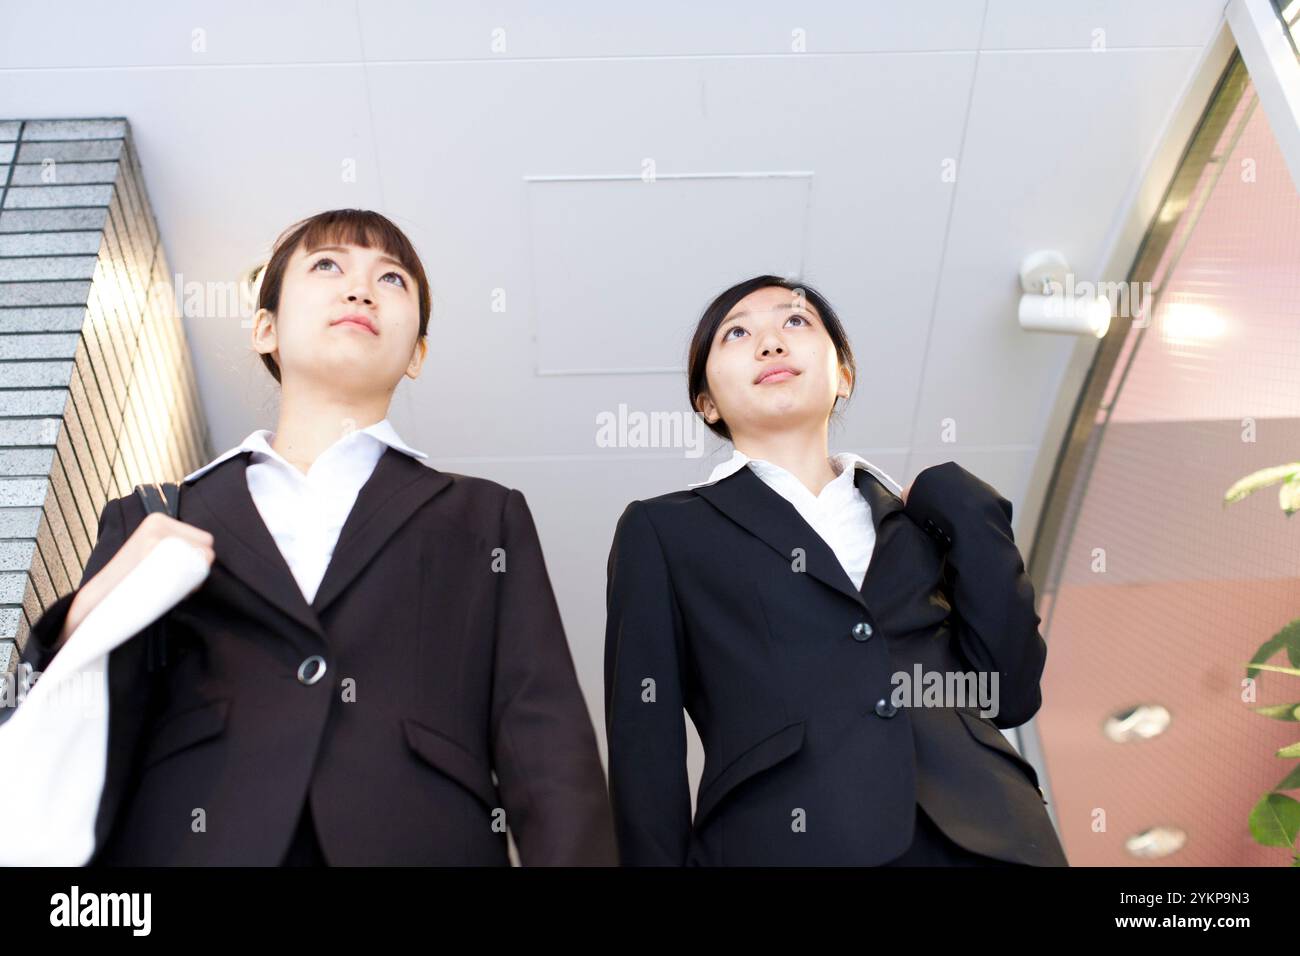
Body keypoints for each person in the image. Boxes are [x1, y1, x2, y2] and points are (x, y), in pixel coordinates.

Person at [16, 209, 617, 866]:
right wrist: (87, 612)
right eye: (327, 265)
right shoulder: (160, 515)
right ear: (265, 328)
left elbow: (546, 739)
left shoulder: (484, 516)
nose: (359, 288)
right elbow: (84, 728)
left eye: (392, 279)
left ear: (417, 353)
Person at [603, 275, 1069, 866]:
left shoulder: (922, 520)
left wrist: (962, 503)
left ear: (843, 374)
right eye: (737, 333)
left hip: (988, 838)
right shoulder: (665, 530)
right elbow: (644, 746)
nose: (771, 343)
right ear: (707, 404)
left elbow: (1010, 691)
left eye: (795, 322)